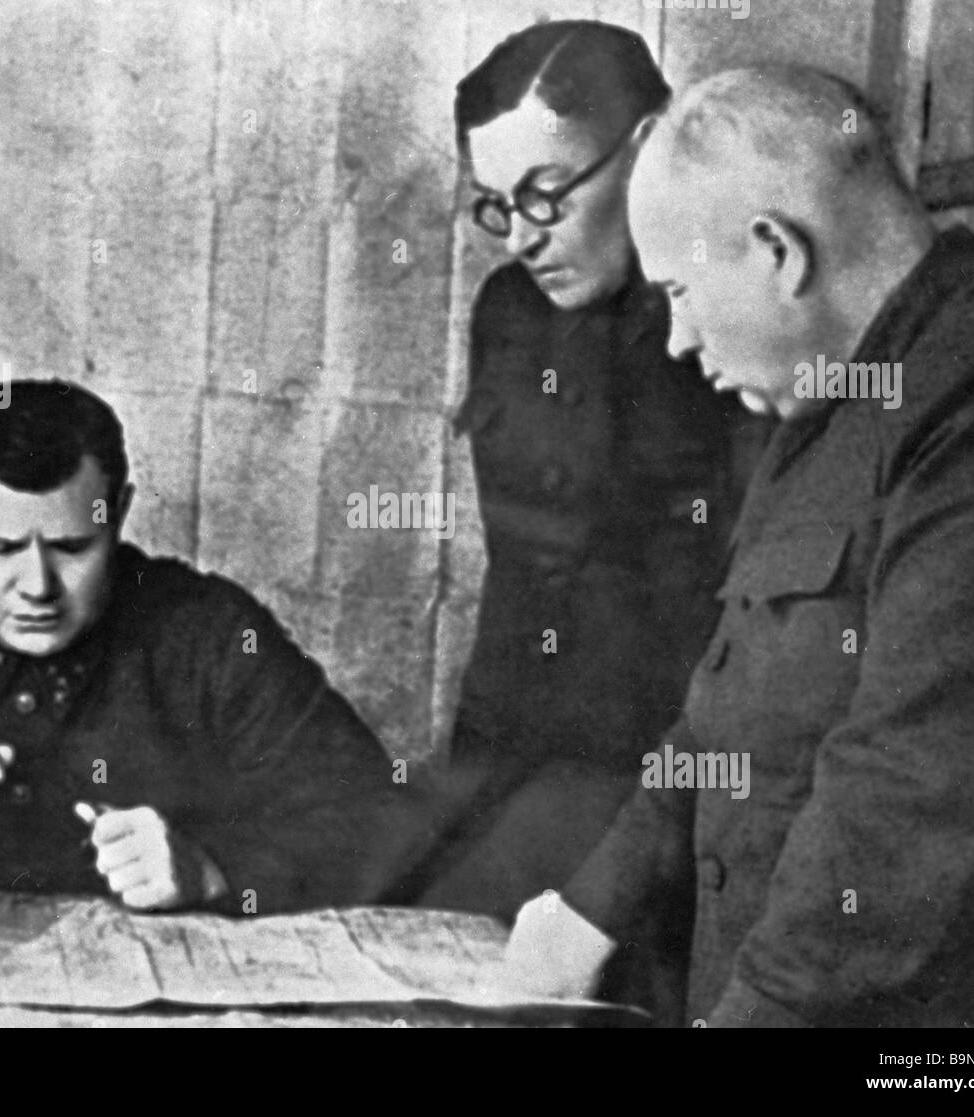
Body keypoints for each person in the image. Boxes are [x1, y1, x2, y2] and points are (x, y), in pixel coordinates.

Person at [501, 65, 974, 1027]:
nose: (675, 339)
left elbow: (918, 798)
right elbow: (721, 716)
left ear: (776, 252)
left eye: (678, 291)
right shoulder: (825, 396)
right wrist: (592, 907)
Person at [393, 23, 767, 1016]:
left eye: (546, 195)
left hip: (687, 802)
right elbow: (521, 592)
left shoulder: (748, 322)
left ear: (650, 147)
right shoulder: (511, 312)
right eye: (495, 205)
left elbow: (758, 654)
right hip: (519, 765)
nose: (520, 235)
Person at [0, 380, 429, 913]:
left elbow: (376, 818)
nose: (38, 586)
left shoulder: (210, 631)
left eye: (74, 546)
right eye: (0, 548)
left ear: (122, 512)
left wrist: (213, 867)